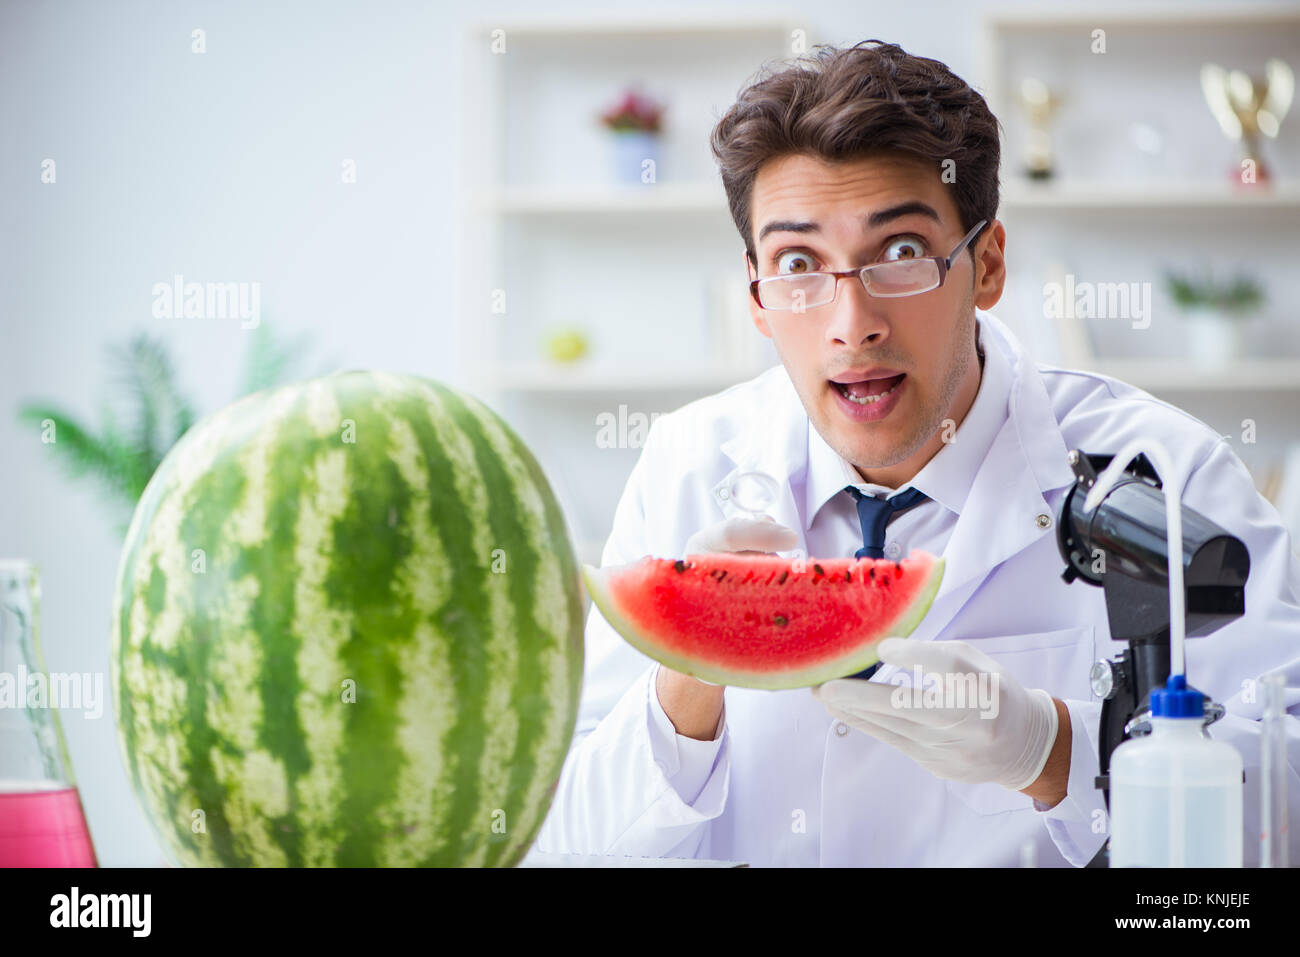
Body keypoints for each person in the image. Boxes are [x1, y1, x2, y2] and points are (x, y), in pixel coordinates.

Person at [533, 39, 1300, 866]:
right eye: (799, 264)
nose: (851, 321)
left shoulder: (1159, 467)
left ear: (989, 263)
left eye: (899, 253)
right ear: (756, 297)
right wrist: (689, 678)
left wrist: (1060, 750)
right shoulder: (688, 465)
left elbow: (1282, 802)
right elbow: (563, 842)